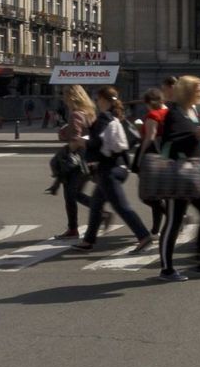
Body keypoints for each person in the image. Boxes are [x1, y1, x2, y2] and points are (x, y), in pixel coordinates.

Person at [75, 87, 152, 254]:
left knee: (121, 206)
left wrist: (83, 142)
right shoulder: (117, 117)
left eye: (97, 99)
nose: (96, 102)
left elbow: (97, 142)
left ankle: (144, 235)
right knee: (96, 204)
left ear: (103, 100)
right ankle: (88, 240)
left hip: (109, 169)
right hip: (119, 167)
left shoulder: (103, 118)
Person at [156, 75, 200, 280]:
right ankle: (167, 268)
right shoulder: (173, 113)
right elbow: (172, 140)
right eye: (198, 88)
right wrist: (196, 135)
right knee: (174, 220)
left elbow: (196, 135)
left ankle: (198, 260)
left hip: (196, 172)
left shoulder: (197, 110)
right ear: (188, 91)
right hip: (178, 172)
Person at [50, 85, 94, 240]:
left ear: (72, 97)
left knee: (70, 195)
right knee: (74, 194)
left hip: (75, 160)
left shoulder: (75, 114)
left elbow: (76, 139)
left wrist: (64, 146)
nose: (63, 98)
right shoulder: (89, 114)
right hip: (87, 159)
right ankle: (75, 227)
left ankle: (74, 228)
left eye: (65, 95)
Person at [136, 87, 171, 236]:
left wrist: (140, 157)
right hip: (168, 156)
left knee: (148, 195)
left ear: (149, 102)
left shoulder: (153, 115)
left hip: (153, 157)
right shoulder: (169, 113)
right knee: (161, 194)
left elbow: (150, 138)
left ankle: (174, 217)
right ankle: (156, 228)